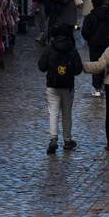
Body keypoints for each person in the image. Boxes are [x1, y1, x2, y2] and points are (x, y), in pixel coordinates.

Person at [37, 23, 83, 154]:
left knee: (53, 112)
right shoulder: (72, 49)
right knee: (67, 113)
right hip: (68, 86)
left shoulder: (49, 49)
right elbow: (78, 69)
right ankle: (67, 140)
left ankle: (53, 139)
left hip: (52, 84)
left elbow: (41, 66)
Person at [80, 0, 109, 97]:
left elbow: (84, 32)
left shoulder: (90, 17)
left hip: (94, 45)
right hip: (106, 43)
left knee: (96, 65)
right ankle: (106, 84)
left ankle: (97, 87)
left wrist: (89, 39)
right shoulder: (108, 16)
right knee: (107, 64)